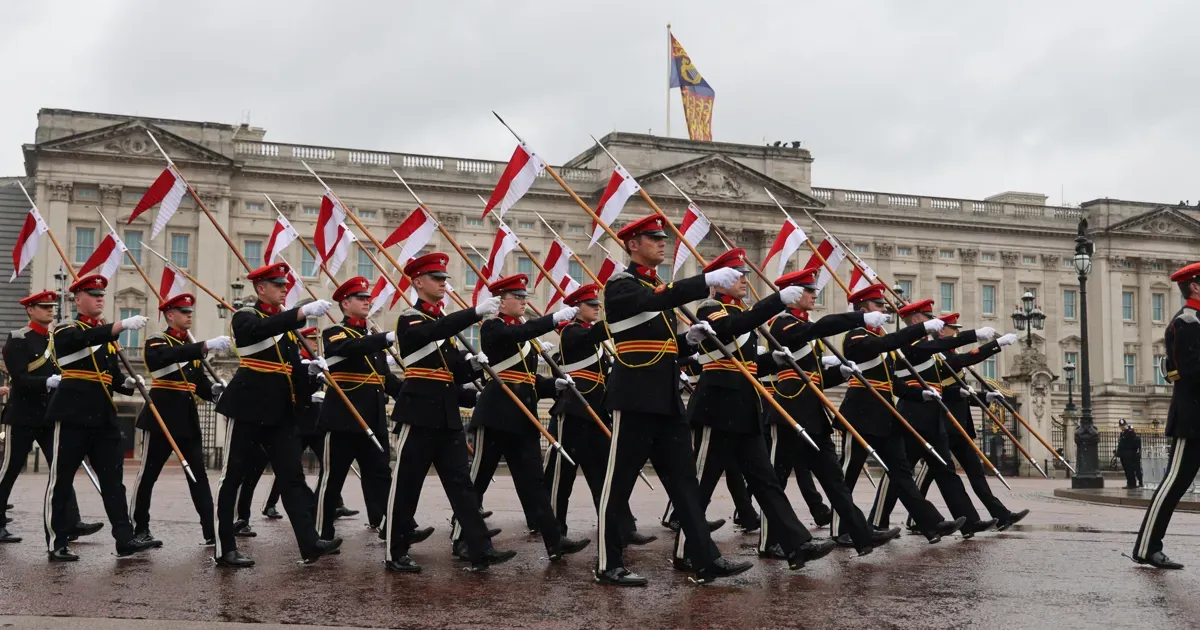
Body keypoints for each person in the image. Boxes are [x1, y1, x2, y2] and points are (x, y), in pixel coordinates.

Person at [595, 214, 752, 587]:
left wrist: (689, 342)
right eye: (653, 238)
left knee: (685, 483)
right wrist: (704, 281)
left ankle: (705, 558)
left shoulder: (656, 288)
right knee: (618, 485)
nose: (662, 243)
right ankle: (607, 562)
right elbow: (648, 303)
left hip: (666, 398)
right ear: (633, 244)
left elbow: (661, 346)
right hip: (634, 398)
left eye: (663, 238)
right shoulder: (621, 286)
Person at [674, 248, 837, 572]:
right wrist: (777, 301)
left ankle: (796, 544)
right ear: (721, 281)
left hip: (745, 409)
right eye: (738, 275)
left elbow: (744, 363)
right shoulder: (711, 308)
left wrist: (768, 361)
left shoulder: (736, 312)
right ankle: (683, 552)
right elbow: (733, 329)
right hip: (716, 408)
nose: (745, 281)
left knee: (766, 482)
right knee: (701, 486)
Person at [384, 253, 515, 573]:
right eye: (436, 278)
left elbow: (454, 373)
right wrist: (473, 313)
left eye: (444, 278)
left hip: (446, 414)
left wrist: (474, 367)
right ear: (417, 282)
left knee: (461, 485)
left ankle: (479, 547)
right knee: (406, 485)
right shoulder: (410, 318)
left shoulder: (441, 327)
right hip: (418, 413)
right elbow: (429, 334)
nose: (444, 283)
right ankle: (394, 551)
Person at [759, 267, 899, 557]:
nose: (814, 295)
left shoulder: (801, 327)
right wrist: (859, 318)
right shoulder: (782, 324)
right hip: (789, 413)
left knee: (834, 480)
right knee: (776, 480)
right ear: (794, 294)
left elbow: (815, 377)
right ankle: (767, 542)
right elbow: (816, 329)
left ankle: (861, 537)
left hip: (813, 414)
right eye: (809, 291)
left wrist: (840, 373)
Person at [451, 273, 590, 562]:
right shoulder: (493, 327)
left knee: (534, 483)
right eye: (518, 297)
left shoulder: (524, 336)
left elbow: (528, 380)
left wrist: (554, 385)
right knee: (477, 481)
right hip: (497, 415)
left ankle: (554, 540)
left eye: (525, 297)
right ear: (502, 302)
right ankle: (462, 539)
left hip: (523, 417)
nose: (524, 301)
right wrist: (551, 320)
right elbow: (511, 339)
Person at [212, 261, 341, 567]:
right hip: (247, 407)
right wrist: (298, 314)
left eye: (285, 285)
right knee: (232, 477)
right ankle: (224, 547)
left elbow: (291, 369)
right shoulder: (245, 316)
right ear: (260, 289)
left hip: (280, 412)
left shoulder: (285, 330)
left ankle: (309, 544)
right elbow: (257, 332)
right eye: (278, 285)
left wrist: (311, 373)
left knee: (292, 477)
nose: (284, 289)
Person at [833, 283, 966, 544]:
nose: (884, 309)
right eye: (878, 305)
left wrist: (919, 393)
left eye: (883, 305)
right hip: (860, 412)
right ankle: (841, 529)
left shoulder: (879, 339)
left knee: (901, 472)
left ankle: (930, 524)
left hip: (884, 413)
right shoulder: (857, 336)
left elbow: (891, 382)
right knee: (847, 473)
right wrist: (918, 329)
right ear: (863, 309)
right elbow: (885, 343)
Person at [43, 274, 154, 561]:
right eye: (93, 294)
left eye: (102, 294)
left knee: (113, 481)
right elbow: (81, 340)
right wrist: (118, 327)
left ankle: (124, 539)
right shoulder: (65, 329)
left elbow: (112, 377)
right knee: (62, 480)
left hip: (103, 416)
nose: (100, 298)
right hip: (72, 413)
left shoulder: (104, 336)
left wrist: (128, 385)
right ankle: (57, 541)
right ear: (78, 300)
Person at [868, 299, 998, 538]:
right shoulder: (909, 345)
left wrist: (993, 346)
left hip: (934, 415)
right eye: (929, 318)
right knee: (899, 472)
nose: (934, 322)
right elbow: (942, 347)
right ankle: (877, 521)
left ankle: (969, 521)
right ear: (917, 320)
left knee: (946, 470)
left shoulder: (930, 348)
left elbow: (955, 362)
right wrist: (974, 335)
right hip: (912, 414)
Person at [543, 283, 655, 546]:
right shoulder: (570, 332)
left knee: (606, 476)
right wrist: (622, 315)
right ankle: (556, 533)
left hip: (596, 411)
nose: (597, 308)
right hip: (573, 411)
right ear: (576, 309)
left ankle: (623, 528)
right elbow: (586, 340)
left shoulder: (597, 342)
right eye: (591, 305)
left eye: (598, 305)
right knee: (562, 478)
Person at [906, 313, 1030, 532]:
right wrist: (995, 345)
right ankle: (916, 518)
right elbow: (948, 388)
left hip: (959, 424)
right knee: (932, 474)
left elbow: (960, 389)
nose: (957, 332)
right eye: (954, 329)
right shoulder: (939, 354)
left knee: (974, 473)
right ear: (942, 331)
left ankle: (1000, 515)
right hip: (943, 423)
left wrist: (982, 397)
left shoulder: (948, 353)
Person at [0, 290, 102, 544]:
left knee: (61, 470)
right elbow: (20, 378)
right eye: (44, 307)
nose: (50, 311)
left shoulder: (56, 339)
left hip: (49, 415)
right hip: (22, 415)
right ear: (30, 310)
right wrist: (47, 380)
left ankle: (70, 521)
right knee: (10, 469)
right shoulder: (18, 339)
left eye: (52, 307)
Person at [128, 294, 228, 547]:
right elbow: (164, 358)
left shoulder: (190, 346)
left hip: (187, 418)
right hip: (161, 416)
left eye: (190, 311)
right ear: (170, 315)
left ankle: (210, 530)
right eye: (183, 312)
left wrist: (215, 390)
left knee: (199, 477)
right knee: (148, 476)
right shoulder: (157, 341)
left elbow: (199, 383)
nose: (189, 315)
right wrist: (205, 346)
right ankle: (139, 528)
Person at [314, 276, 403, 543]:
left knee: (381, 475)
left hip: (373, 418)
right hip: (344, 417)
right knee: (333, 479)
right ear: (345, 303)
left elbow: (387, 380)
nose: (367, 301)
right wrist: (383, 338)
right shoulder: (335, 333)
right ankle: (321, 532)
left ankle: (391, 526)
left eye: (368, 298)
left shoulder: (370, 339)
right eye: (361, 298)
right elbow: (349, 348)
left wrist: (414, 397)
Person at [1133, 262, 1200, 569]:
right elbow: (1189, 372)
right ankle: (1147, 547)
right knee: (1173, 483)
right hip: (1193, 418)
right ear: (1195, 286)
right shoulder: (1186, 322)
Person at [1117, 420, 1143, 489]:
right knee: (1127, 470)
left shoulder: (1130, 433)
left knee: (1130, 470)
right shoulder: (1122, 433)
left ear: (1126, 425)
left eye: (1123, 425)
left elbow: (1130, 443)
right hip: (1123, 455)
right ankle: (1130, 483)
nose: (1122, 427)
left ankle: (1132, 484)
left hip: (1129, 455)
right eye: (1121, 426)